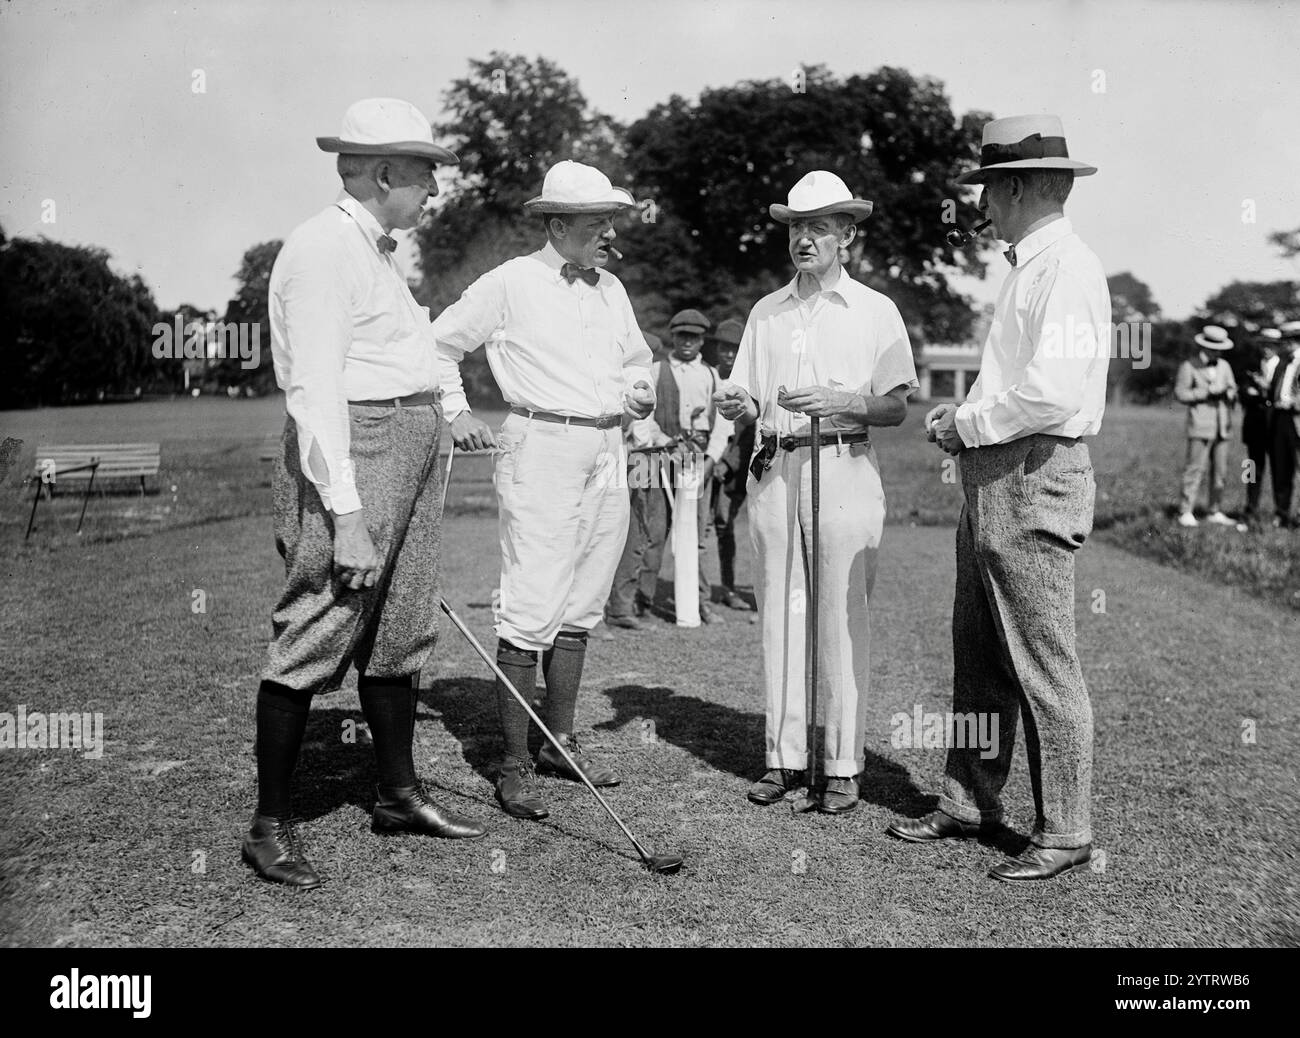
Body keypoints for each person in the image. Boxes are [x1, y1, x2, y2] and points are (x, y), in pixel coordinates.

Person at [243, 98, 486, 891]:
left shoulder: (379, 252)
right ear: (384, 174)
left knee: (402, 622)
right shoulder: (320, 250)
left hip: (410, 443)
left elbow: (413, 354)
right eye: (426, 175)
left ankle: (397, 794)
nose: (434, 190)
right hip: (357, 447)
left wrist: (445, 417)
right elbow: (314, 392)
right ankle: (269, 826)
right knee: (324, 614)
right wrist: (345, 516)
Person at [886, 113, 1109, 882]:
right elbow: (1018, 382)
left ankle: (1067, 829)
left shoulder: (1066, 270)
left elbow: (1049, 396)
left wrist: (966, 421)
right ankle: (971, 799)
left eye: (987, 189)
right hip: (996, 472)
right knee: (979, 654)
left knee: (1042, 661)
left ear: (1013, 188)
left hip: (1035, 470)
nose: (981, 204)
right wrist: (968, 422)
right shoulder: (1030, 267)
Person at [431, 160, 656, 820]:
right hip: (540, 445)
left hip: (608, 449)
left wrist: (639, 395)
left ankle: (558, 742)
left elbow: (636, 364)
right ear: (557, 225)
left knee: (583, 603)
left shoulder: (611, 288)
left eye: (613, 221)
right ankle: (513, 763)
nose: (610, 234)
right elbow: (438, 345)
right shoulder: (509, 283)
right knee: (532, 603)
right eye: (596, 224)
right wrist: (456, 411)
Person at [714, 170, 918, 816]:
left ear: (847, 236)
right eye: (797, 227)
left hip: (844, 466)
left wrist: (840, 402)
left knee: (842, 617)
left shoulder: (876, 311)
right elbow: (746, 397)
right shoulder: (766, 312)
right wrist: (736, 402)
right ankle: (783, 759)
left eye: (819, 227)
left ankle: (843, 768)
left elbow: (896, 407)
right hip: (776, 468)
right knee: (779, 612)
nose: (804, 239)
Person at [606, 308, 731, 628]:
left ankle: (699, 603)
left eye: (694, 337)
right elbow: (643, 416)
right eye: (682, 336)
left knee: (697, 534)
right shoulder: (656, 369)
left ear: (703, 340)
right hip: (654, 457)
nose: (688, 342)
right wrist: (663, 446)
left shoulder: (713, 375)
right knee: (649, 531)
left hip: (696, 461)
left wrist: (709, 461)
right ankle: (634, 602)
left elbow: (721, 426)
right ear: (673, 337)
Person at [710, 318, 756, 610]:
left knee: (725, 525)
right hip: (701, 462)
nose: (729, 354)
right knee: (698, 527)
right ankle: (696, 592)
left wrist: (727, 463)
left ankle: (727, 587)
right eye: (724, 348)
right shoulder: (708, 376)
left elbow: (747, 432)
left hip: (734, 469)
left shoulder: (748, 383)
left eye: (735, 349)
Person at [1173, 325, 1238, 527]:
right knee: (1194, 470)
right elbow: (1181, 394)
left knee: (1220, 472)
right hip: (1200, 424)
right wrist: (1206, 393)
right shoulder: (1189, 366)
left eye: (1220, 349)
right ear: (1205, 347)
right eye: (1214, 348)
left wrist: (1226, 393)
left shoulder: (1225, 366)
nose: (1217, 352)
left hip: (1222, 425)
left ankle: (1214, 510)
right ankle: (1186, 511)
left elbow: (1233, 389)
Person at [1240, 329, 1280, 524]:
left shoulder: (1284, 367)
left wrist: (1265, 389)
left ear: (1277, 346)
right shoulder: (1251, 365)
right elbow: (1244, 394)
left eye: (1271, 345)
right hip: (1255, 426)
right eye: (1263, 344)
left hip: (1276, 427)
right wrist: (1259, 394)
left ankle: (1281, 512)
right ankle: (1250, 509)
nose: (1266, 349)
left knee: (1279, 470)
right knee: (1252, 469)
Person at [1268, 321, 1300, 528]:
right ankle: (1281, 513)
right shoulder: (1281, 362)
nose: (1282, 345)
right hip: (1279, 418)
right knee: (1281, 468)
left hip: (1297, 419)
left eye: (1286, 341)